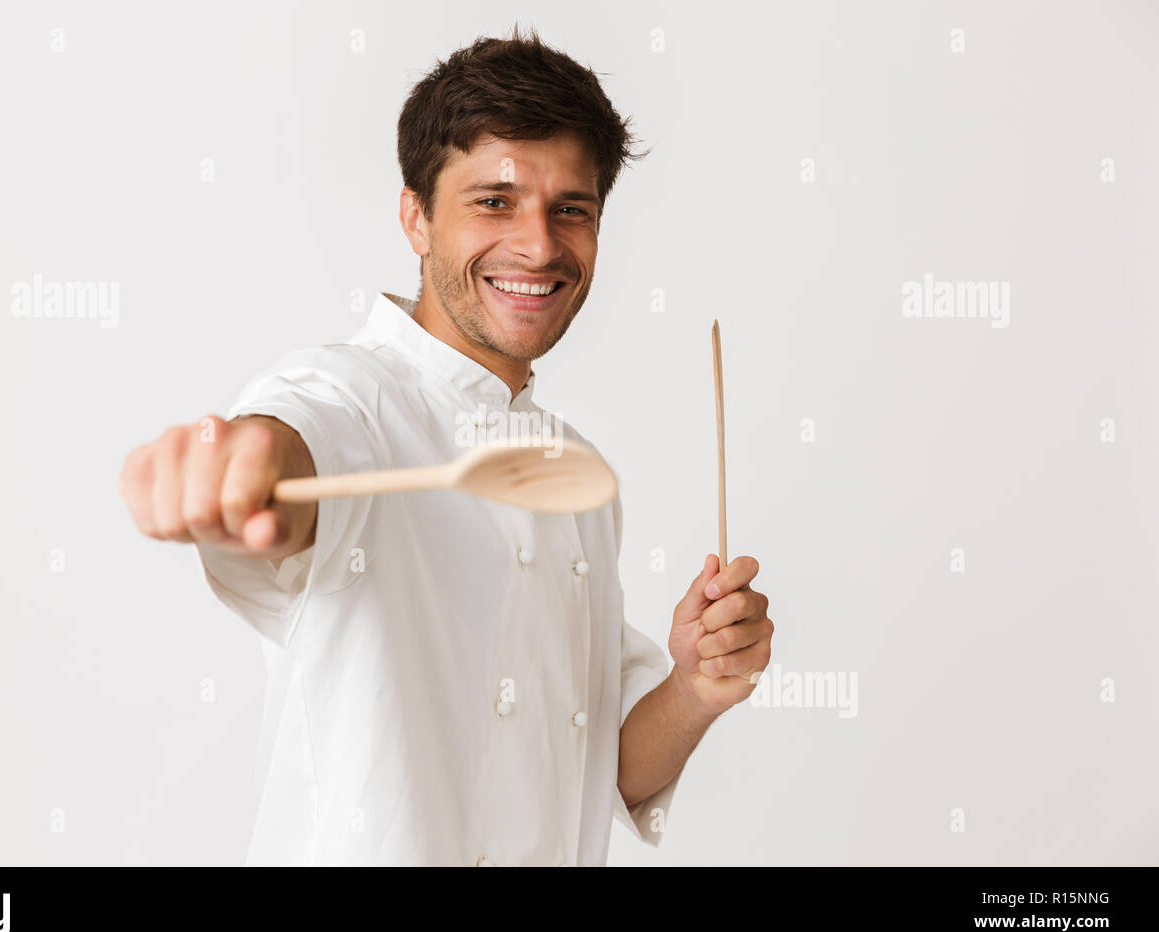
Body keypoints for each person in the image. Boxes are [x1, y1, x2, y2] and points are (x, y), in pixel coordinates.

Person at [117, 25, 773, 866]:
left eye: (570, 209)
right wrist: (239, 468)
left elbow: (601, 769)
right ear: (416, 217)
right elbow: (291, 449)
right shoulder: (352, 399)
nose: (538, 245)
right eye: (493, 201)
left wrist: (693, 687)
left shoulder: (577, 477)